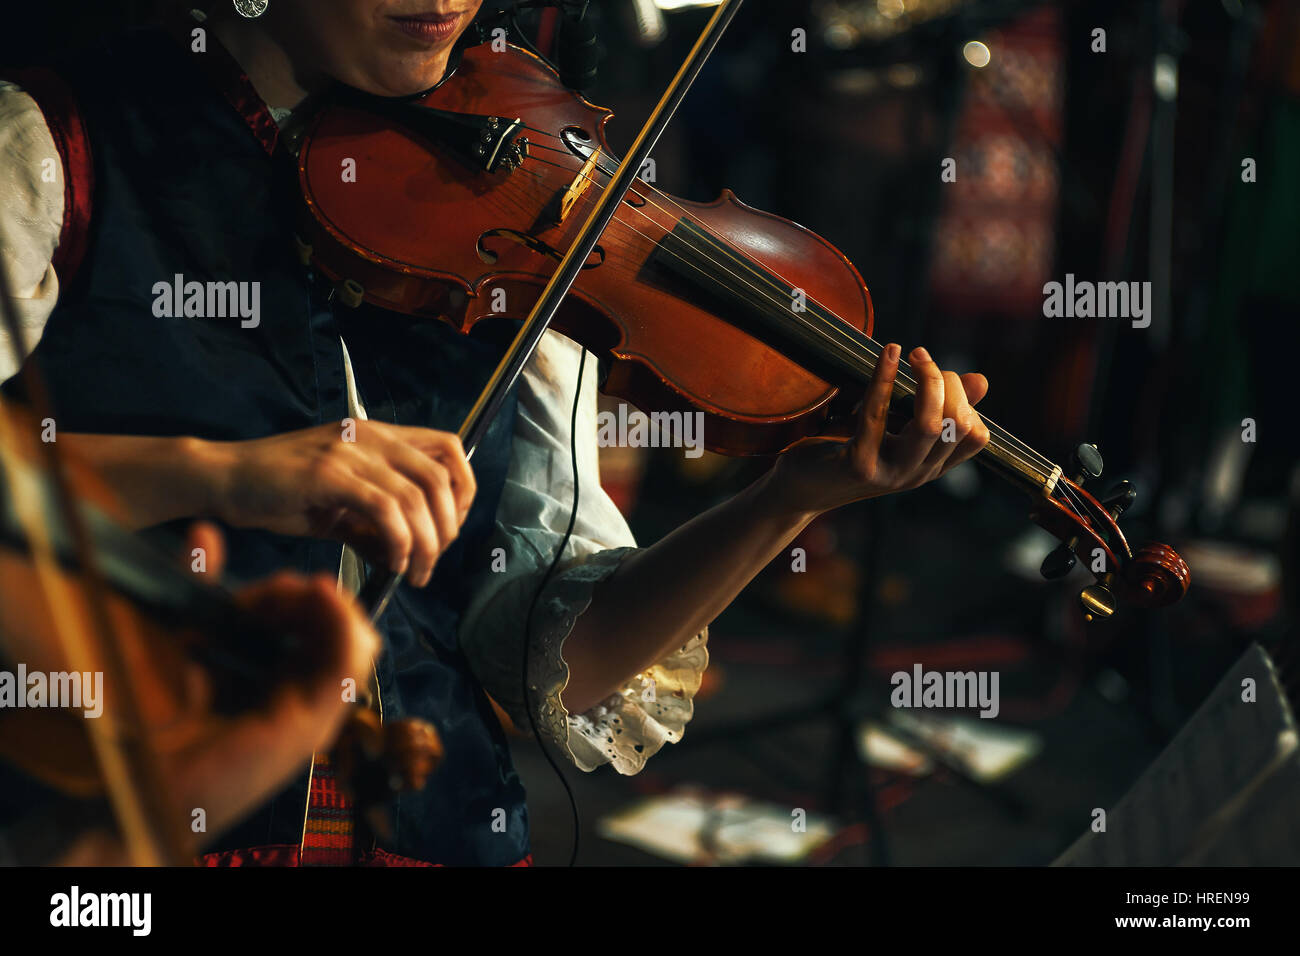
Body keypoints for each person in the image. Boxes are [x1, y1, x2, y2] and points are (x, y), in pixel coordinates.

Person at [0, 0, 991, 865]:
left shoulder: (521, 201)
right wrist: (216, 475)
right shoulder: (56, 146)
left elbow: (558, 665)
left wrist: (782, 501)